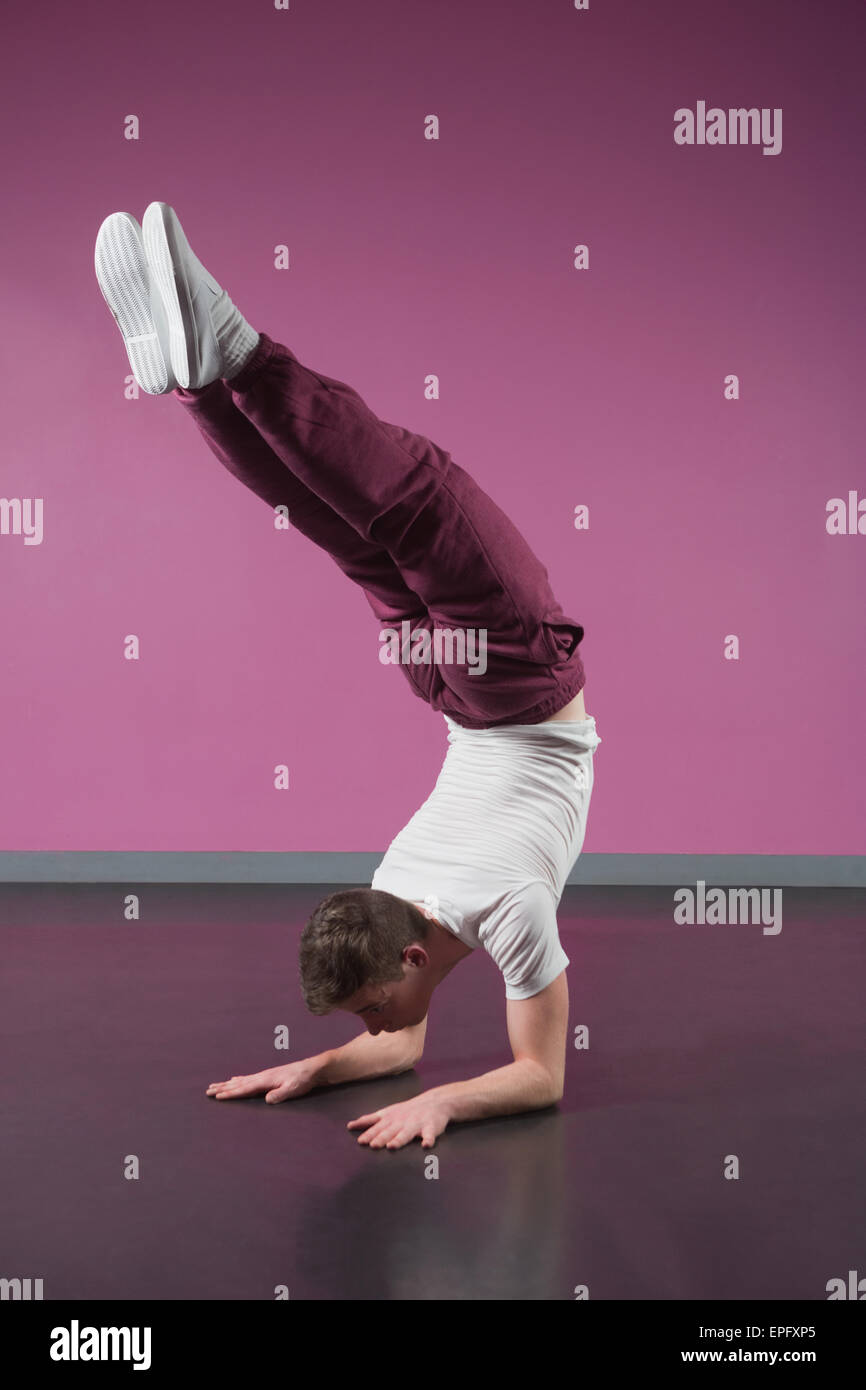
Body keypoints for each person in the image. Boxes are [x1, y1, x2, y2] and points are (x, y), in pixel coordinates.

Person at [94, 202, 602, 1150]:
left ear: (404, 954)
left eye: (366, 1012)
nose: (375, 1029)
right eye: (367, 1019)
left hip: (501, 685)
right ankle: (202, 386)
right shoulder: (402, 894)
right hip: (465, 685)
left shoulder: (474, 914)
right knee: (353, 520)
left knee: (405, 504)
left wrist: (437, 1096)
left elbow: (533, 1075)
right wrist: (325, 1066)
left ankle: (232, 359)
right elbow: (511, 1067)